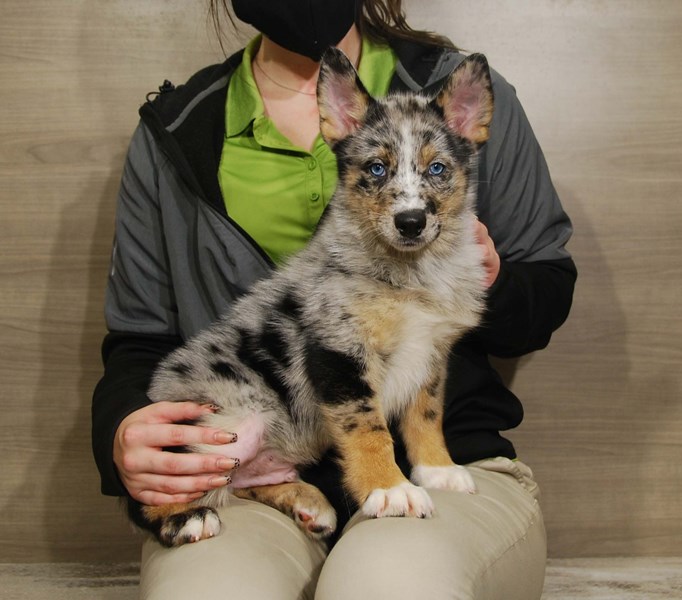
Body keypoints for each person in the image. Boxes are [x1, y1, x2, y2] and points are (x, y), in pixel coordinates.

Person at [92, 0, 576, 598]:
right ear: (339, 120)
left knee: (388, 585)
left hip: (454, 461)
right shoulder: (173, 128)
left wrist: (490, 274)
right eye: (375, 171)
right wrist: (121, 434)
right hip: (257, 461)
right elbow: (139, 340)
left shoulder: (455, 96)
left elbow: (548, 288)